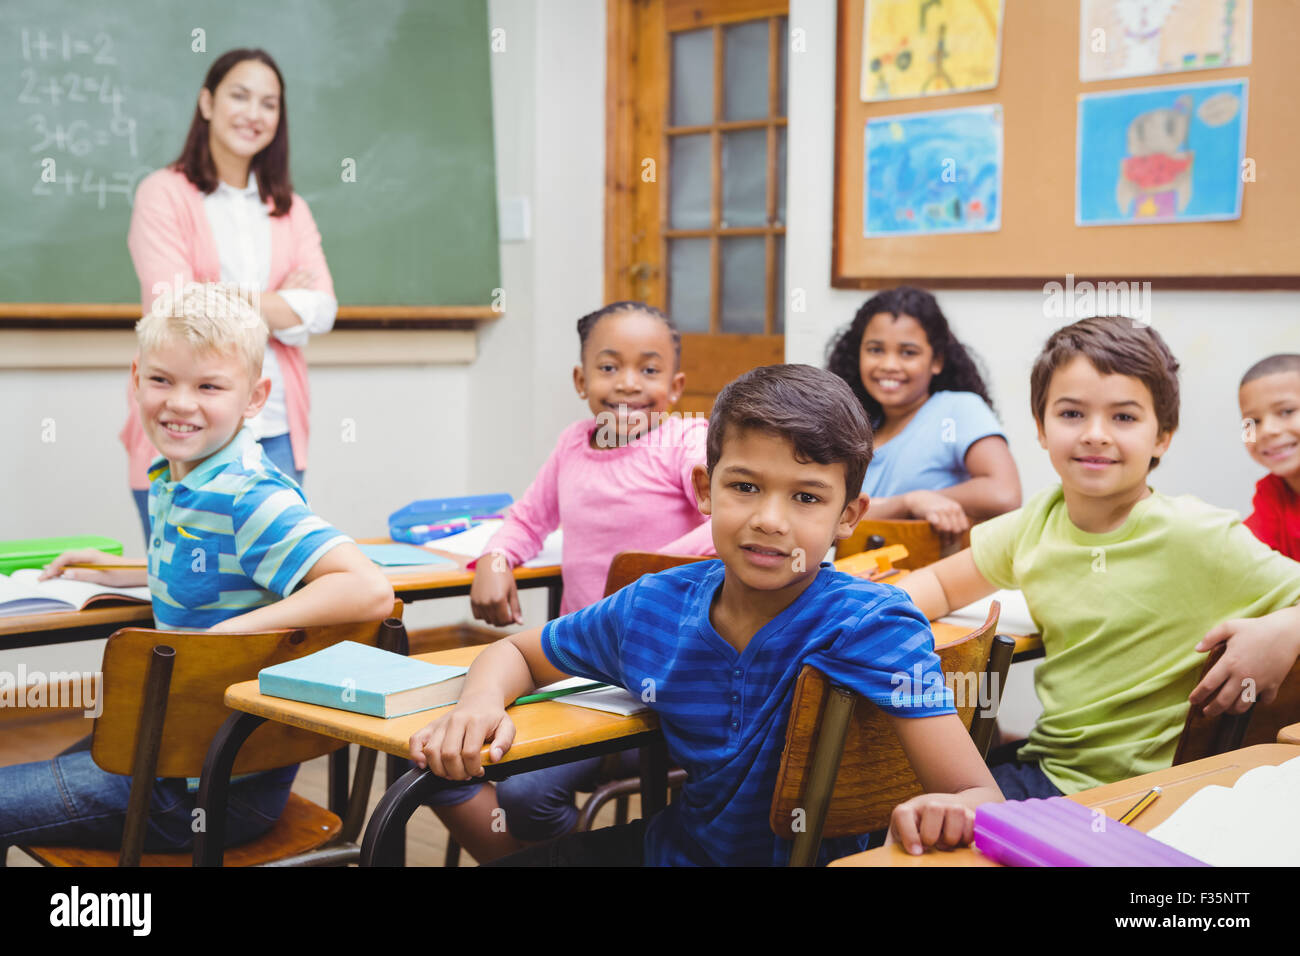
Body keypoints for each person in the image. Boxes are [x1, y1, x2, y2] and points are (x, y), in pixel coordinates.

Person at [411, 364, 1003, 866]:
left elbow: (982, 795)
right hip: (677, 851)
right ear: (704, 489)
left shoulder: (872, 625)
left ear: (848, 516)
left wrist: (947, 809)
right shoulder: (655, 604)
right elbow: (516, 651)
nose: (769, 519)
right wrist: (479, 704)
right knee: (433, 783)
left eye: (806, 497)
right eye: (744, 487)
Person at [0, 285, 393, 858]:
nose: (181, 403)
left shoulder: (247, 494)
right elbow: (212, 569)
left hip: (209, 795)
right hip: (174, 755)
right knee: (55, 770)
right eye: (162, 380)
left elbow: (368, 588)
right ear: (136, 378)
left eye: (209, 386)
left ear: (254, 397)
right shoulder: (183, 475)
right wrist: (119, 572)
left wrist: (226, 638)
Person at [900, 317, 1300, 800]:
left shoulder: (1198, 534)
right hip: (1051, 767)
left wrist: (1285, 629)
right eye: (1071, 414)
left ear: (1162, 437)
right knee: (904, 797)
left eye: (1124, 417)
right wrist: (858, 616)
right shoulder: (1036, 523)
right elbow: (940, 587)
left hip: (1126, 794)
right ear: (1040, 428)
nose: (1095, 434)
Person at [430, 301, 716, 862]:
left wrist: (639, 573)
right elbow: (527, 519)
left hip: (663, 671)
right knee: (469, 771)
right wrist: (496, 560)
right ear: (581, 380)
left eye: (650, 369)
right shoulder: (571, 446)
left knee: (525, 788)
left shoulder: (687, 441)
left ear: (676, 385)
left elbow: (724, 520)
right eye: (609, 368)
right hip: (582, 671)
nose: (629, 384)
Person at [122, 48, 336, 542]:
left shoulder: (289, 207)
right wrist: (277, 300)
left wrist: (218, 295)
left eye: (269, 103)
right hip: (185, 420)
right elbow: (172, 305)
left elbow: (322, 308)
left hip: (275, 427)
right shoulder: (163, 193)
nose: (253, 114)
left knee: (266, 593)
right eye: (239, 96)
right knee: (188, 587)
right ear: (207, 102)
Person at [826, 286, 1020, 540]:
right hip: (851, 575)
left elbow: (1004, 493)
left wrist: (924, 501)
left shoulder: (957, 409)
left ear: (937, 361)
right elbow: (830, 514)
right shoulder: (855, 428)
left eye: (908, 353)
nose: (889, 365)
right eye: (875, 350)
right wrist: (908, 502)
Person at [1239, 354, 1300, 561]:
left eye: (1286, 411)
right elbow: (1245, 558)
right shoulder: (1271, 494)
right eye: (1253, 421)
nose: (1268, 430)